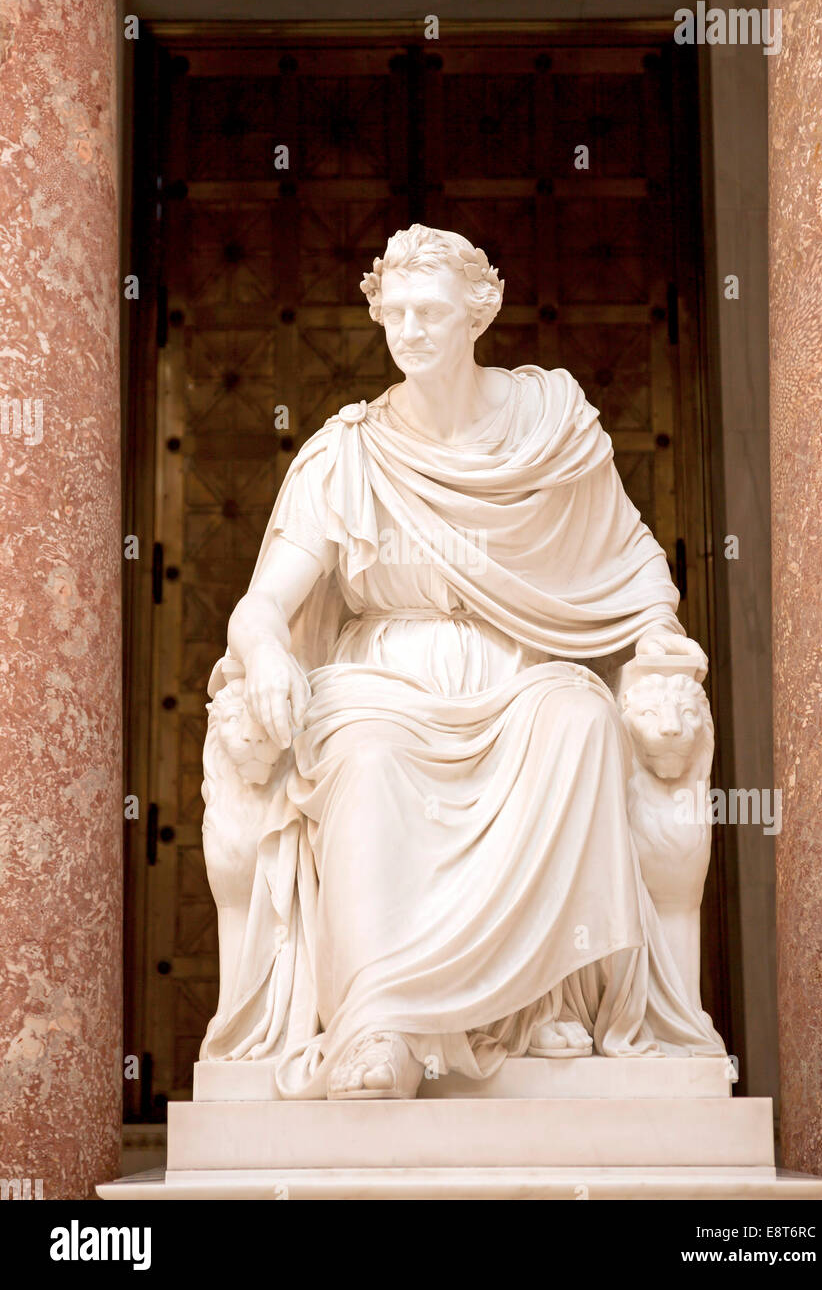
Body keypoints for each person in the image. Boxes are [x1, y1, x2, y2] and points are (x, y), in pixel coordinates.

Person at [200, 223, 724, 1100]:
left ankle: (546, 1001)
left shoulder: (551, 427)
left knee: (581, 718)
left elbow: (632, 564)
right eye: (394, 311)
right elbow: (263, 605)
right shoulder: (350, 452)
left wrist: (660, 646)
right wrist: (266, 654)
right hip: (384, 680)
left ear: (479, 313)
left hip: (516, 672)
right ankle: (381, 1028)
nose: (410, 328)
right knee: (363, 754)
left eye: (430, 311)